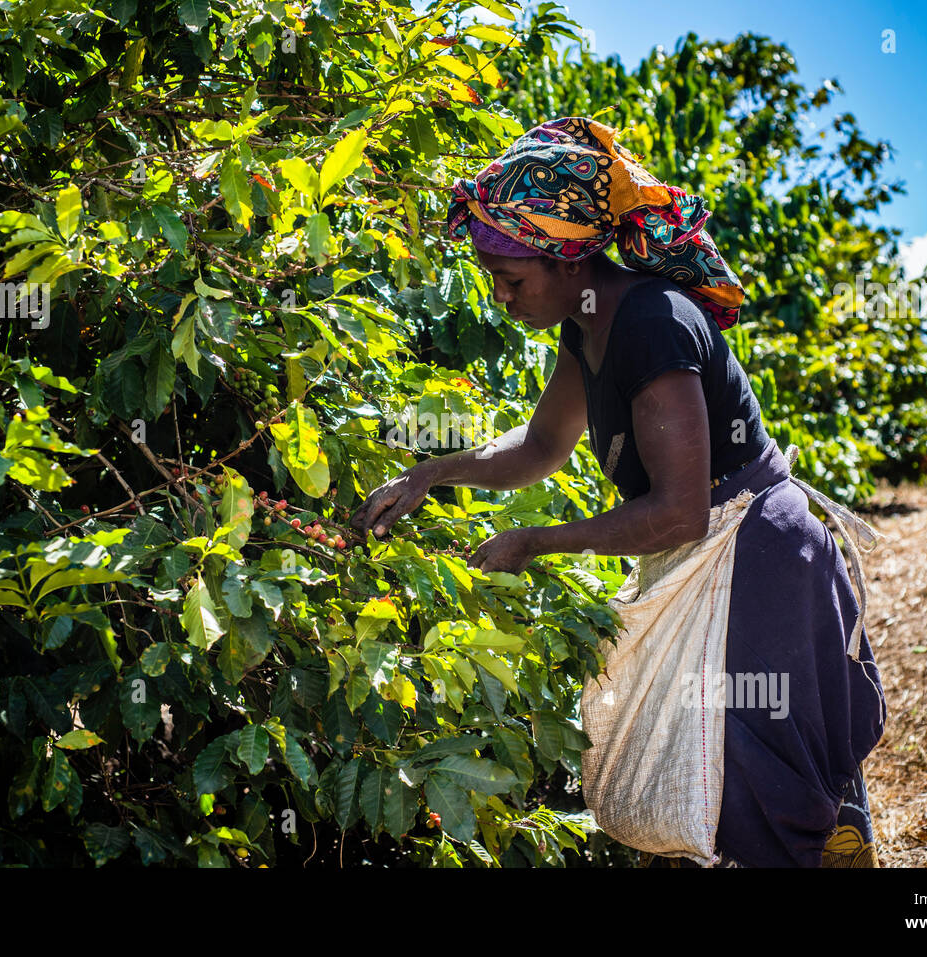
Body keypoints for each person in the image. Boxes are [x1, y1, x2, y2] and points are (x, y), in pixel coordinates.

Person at [351, 117, 885, 867]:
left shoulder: (649, 324)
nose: (502, 298)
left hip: (756, 561)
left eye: (512, 279)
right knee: (733, 787)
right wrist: (432, 472)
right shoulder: (589, 322)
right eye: (492, 281)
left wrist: (535, 543)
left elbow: (680, 509)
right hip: (715, 557)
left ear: (570, 261)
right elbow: (541, 446)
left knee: (762, 790)